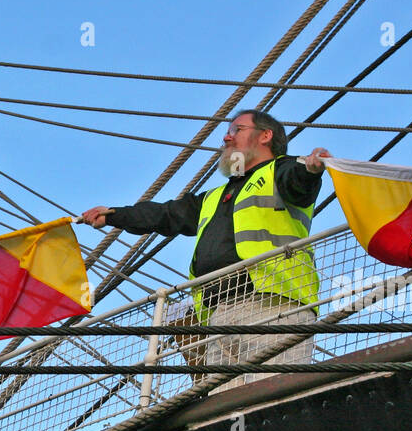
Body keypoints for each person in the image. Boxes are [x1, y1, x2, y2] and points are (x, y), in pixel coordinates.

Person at [81, 110, 331, 388]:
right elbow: (165, 215)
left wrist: (310, 169)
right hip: (217, 314)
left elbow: (299, 183)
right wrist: (114, 215)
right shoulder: (212, 198)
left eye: (237, 129)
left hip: (272, 306)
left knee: (273, 395)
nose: (226, 136)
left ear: (265, 135)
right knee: (222, 410)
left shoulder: (283, 170)